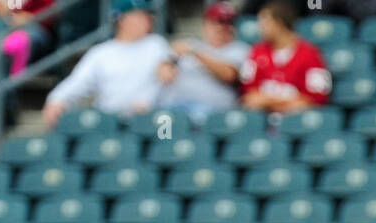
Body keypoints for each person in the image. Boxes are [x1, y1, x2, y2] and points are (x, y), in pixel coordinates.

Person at [43, 0, 172, 128]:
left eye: (147, 15)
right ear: (122, 20)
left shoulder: (156, 44)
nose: (148, 19)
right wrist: (56, 100)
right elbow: (77, 82)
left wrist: (174, 57)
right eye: (139, 15)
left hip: (148, 120)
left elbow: (169, 75)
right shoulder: (101, 52)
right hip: (110, 122)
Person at [156, 2, 249, 117]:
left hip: (211, 114)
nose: (222, 27)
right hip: (175, 108)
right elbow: (163, 72)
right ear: (205, 24)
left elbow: (229, 75)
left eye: (227, 22)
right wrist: (167, 65)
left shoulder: (239, 49)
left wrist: (195, 53)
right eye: (217, 22)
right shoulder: (192, 45)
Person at [239, 0, 331, 113]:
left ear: (279, 24)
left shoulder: (311, 54)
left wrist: (269, 102)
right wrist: (285, 102)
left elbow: (316, 99)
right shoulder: (257, 51)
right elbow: (249, 97)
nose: (260, 29)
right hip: (262, 119)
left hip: (296, 122)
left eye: (264, 23)